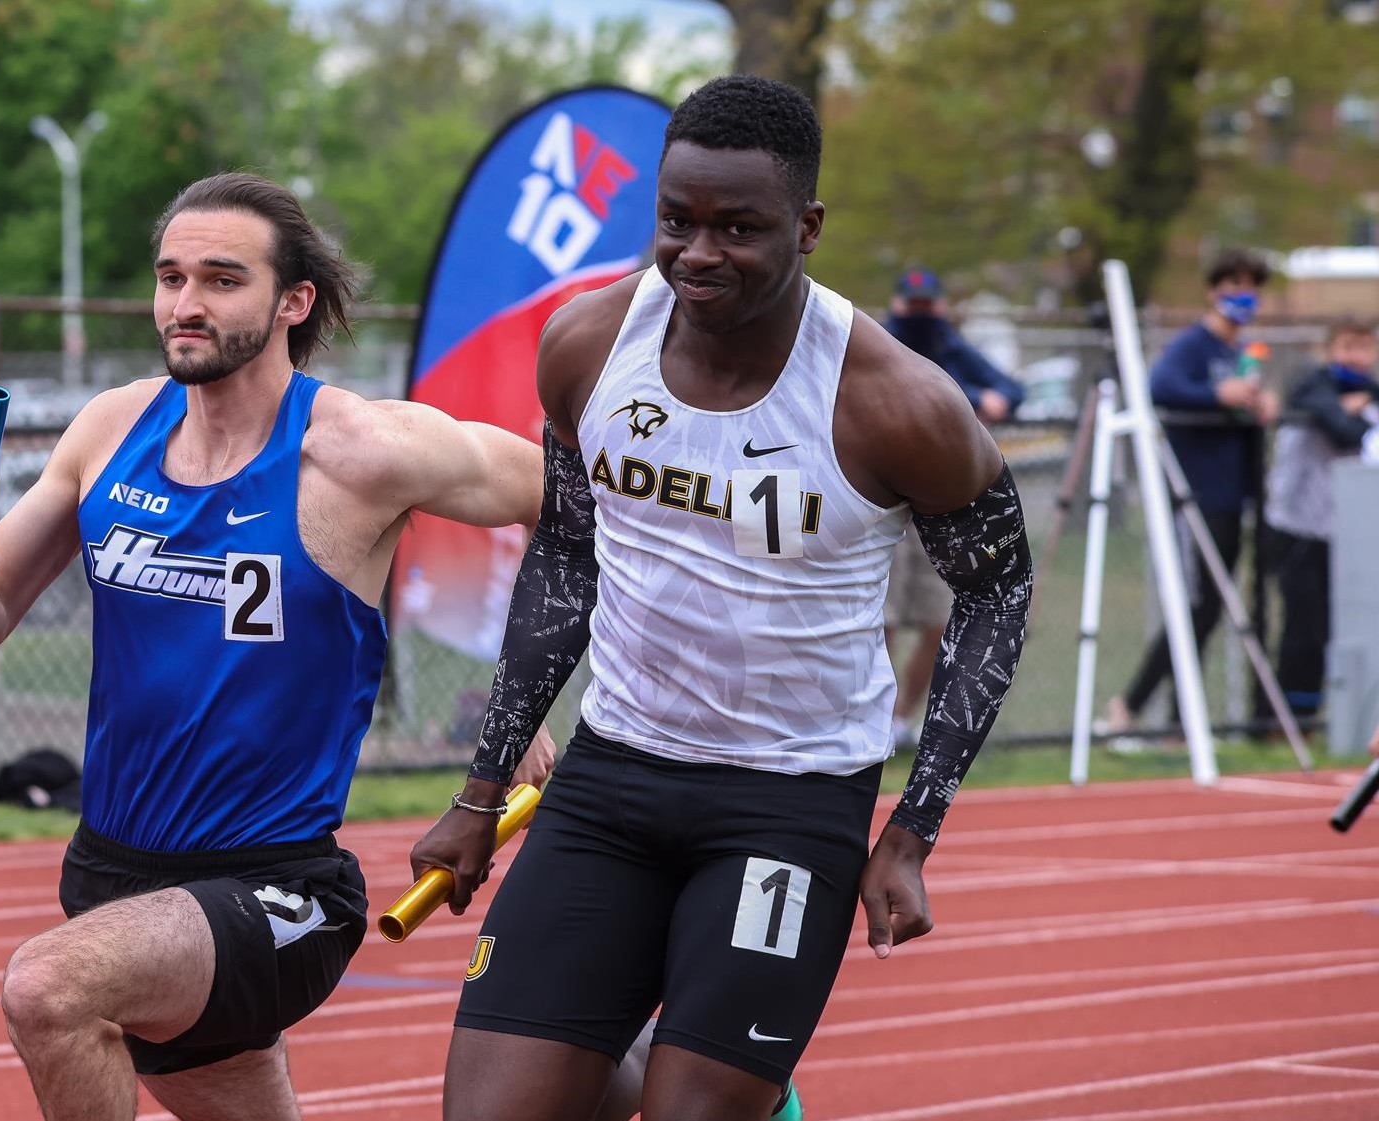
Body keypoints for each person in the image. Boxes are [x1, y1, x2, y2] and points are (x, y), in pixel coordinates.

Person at [409, 75, 1033, 1121]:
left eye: (737, 228)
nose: (697, 253)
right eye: (675, 221)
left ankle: (735, 1077)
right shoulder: (585, 346)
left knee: (696, 1112)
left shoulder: (894, 401)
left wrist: (910, 829)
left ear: (807, 226)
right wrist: (479, 795)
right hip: (613, 775)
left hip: (789, 798)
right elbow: (566, 552)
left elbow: (995, 588)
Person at [0, 171, 551, 1121]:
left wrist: (523, 705)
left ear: (293, 300)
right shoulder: (111, 427)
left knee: (49, 989)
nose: (185, 305)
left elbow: (575, 505)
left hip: (275, 887)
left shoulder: (362, 450)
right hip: (113, 873)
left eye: (221, 279)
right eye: (171, 278)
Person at [1102, 249, 1279, 736]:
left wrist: (1259, 404)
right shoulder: (1193, 345)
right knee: (1197, 606)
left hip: (1233, 494)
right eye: (1234, 285)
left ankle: (1181, 719)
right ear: (1213, 290)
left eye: (1251, 286)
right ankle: (1131, 704)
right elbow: (1159, 386)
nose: (1243, 295)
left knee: (1211, 609)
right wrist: (1216, 396)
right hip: (1193, 495)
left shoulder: (1239, 351)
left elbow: (1241, 404)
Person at [883, 266, 1028, 745]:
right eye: (914, 306)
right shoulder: (884, 341)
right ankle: (874, 719)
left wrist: (994, 399)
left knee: (938, 619)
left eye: (929, 306)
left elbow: (1010, 388)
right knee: (881, 620)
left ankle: (902, 721)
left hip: (944, 508)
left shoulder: (948, 342)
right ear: (899, 304)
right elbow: (912, 393)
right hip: (887, 504)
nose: (922, 315)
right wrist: (968, 398)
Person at [1263, 319, 1377, 715]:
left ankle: (1327, 713)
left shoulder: (1367, 390)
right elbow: (1346, 431)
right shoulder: (1313, 385)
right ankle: (1289, 716)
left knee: (1336, 625)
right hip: (1298, 527)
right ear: (1330, 351)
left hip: (1346, 534)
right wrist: (1358, 415)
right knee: (1303, 628)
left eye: (1364, 348)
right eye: (1347, 347)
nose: (1356, 357)